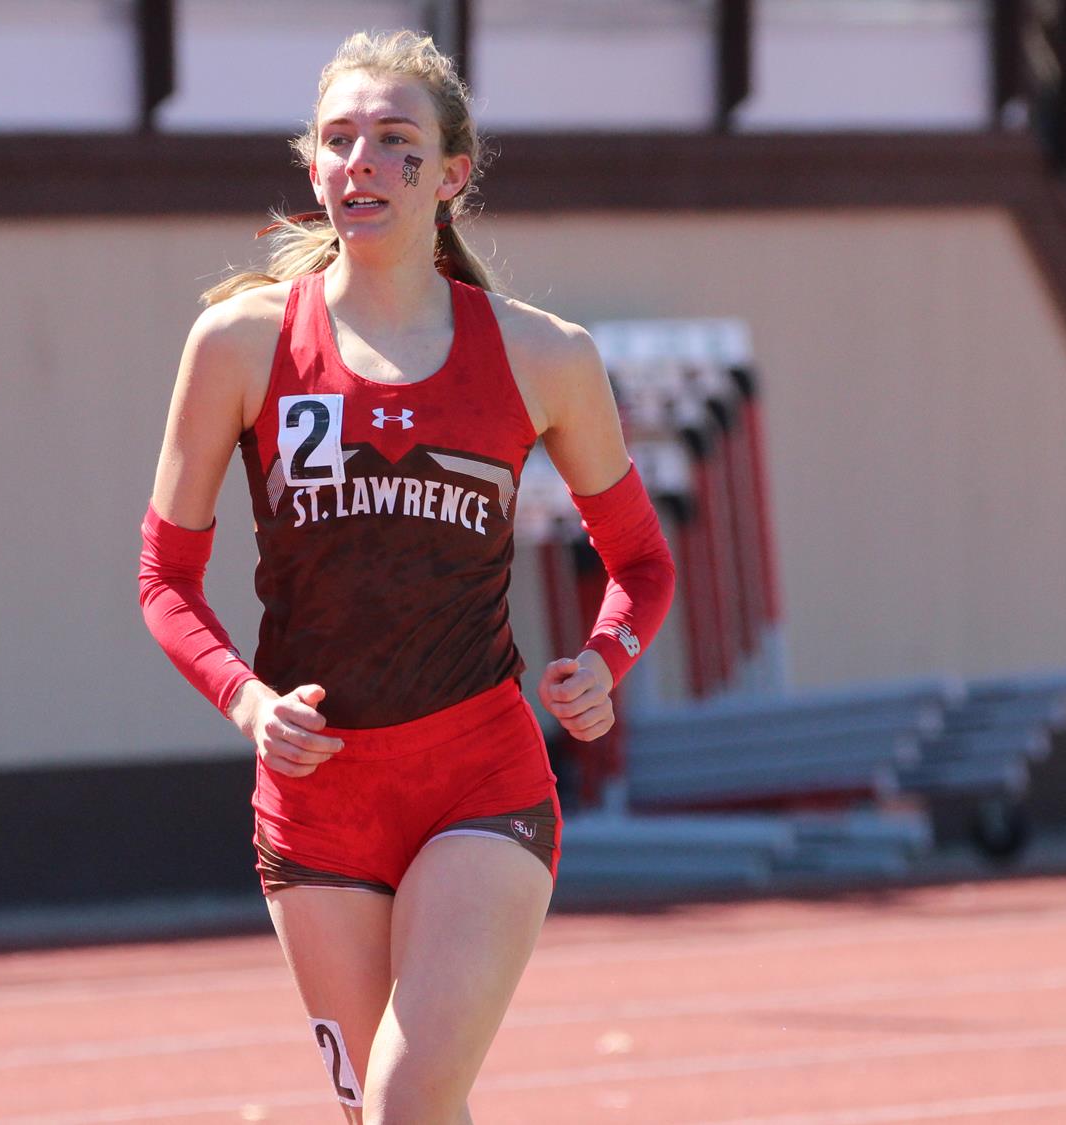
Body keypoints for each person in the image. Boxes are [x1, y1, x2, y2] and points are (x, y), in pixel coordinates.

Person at [138, 29, 674, 1124]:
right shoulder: (238, 346)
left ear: (449, 176)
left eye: (394, 142)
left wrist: (604, 659)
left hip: (478, 779)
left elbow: (641, 562)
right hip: (315, 800)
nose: (362, 164)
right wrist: (244, 701)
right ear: (312, 165)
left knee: (407, 1096)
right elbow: (163, 576)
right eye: (338, 141)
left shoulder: (542, 356)